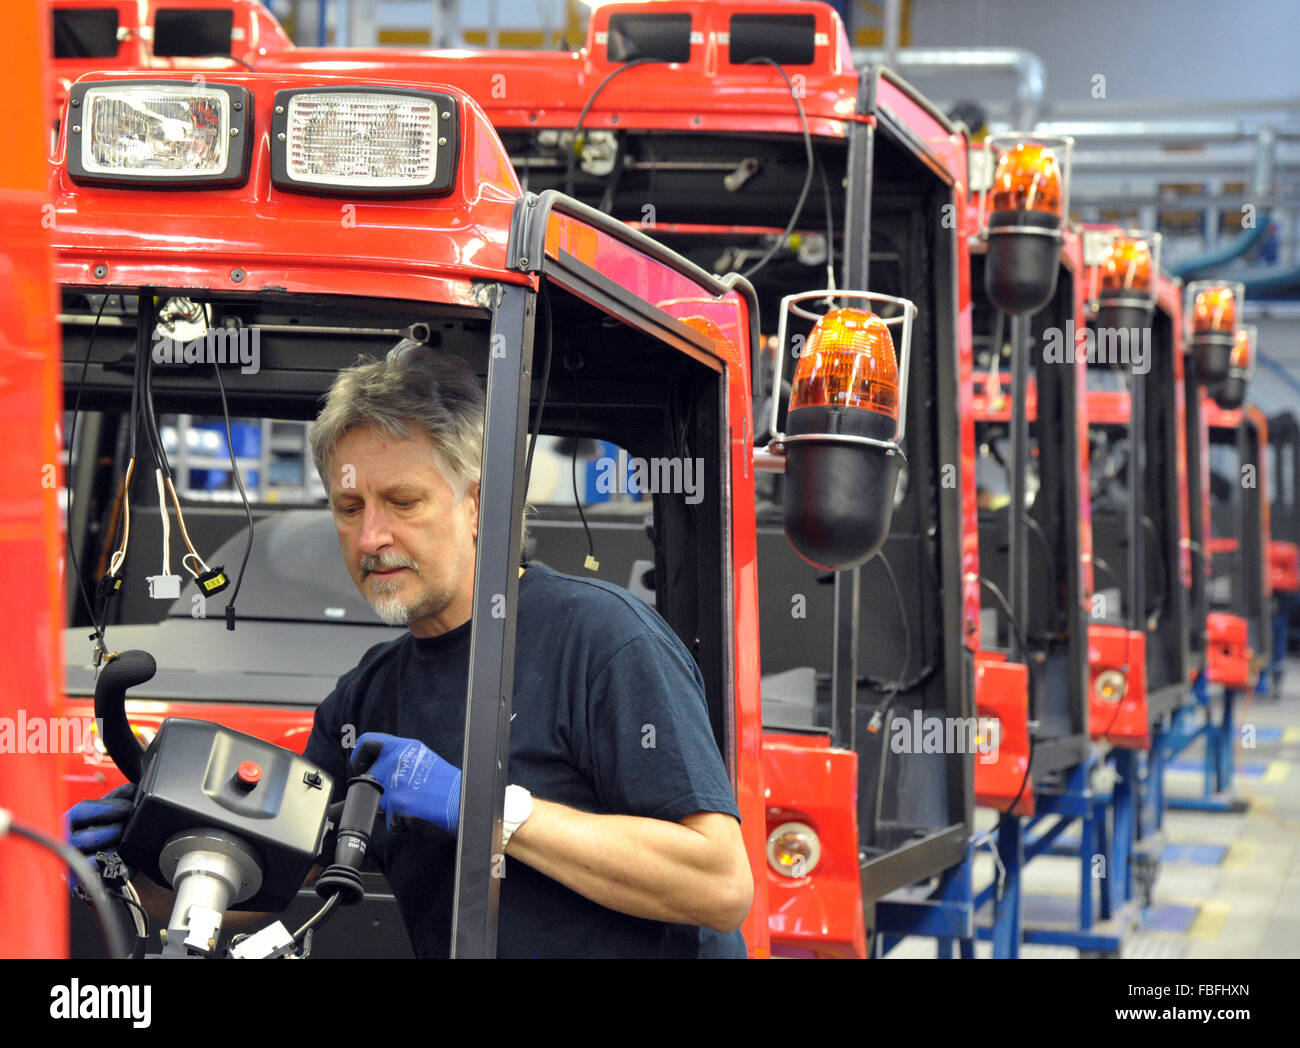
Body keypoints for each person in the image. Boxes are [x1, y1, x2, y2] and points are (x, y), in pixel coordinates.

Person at [71, 340, 752, 959]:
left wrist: (485, 808)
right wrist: (140, 855)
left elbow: (719, 885)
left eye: (402, 502)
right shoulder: (368, 697)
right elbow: (264, 882)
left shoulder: (602, 641)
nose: (370, 538)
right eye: (349, 508)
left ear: (481, 504)